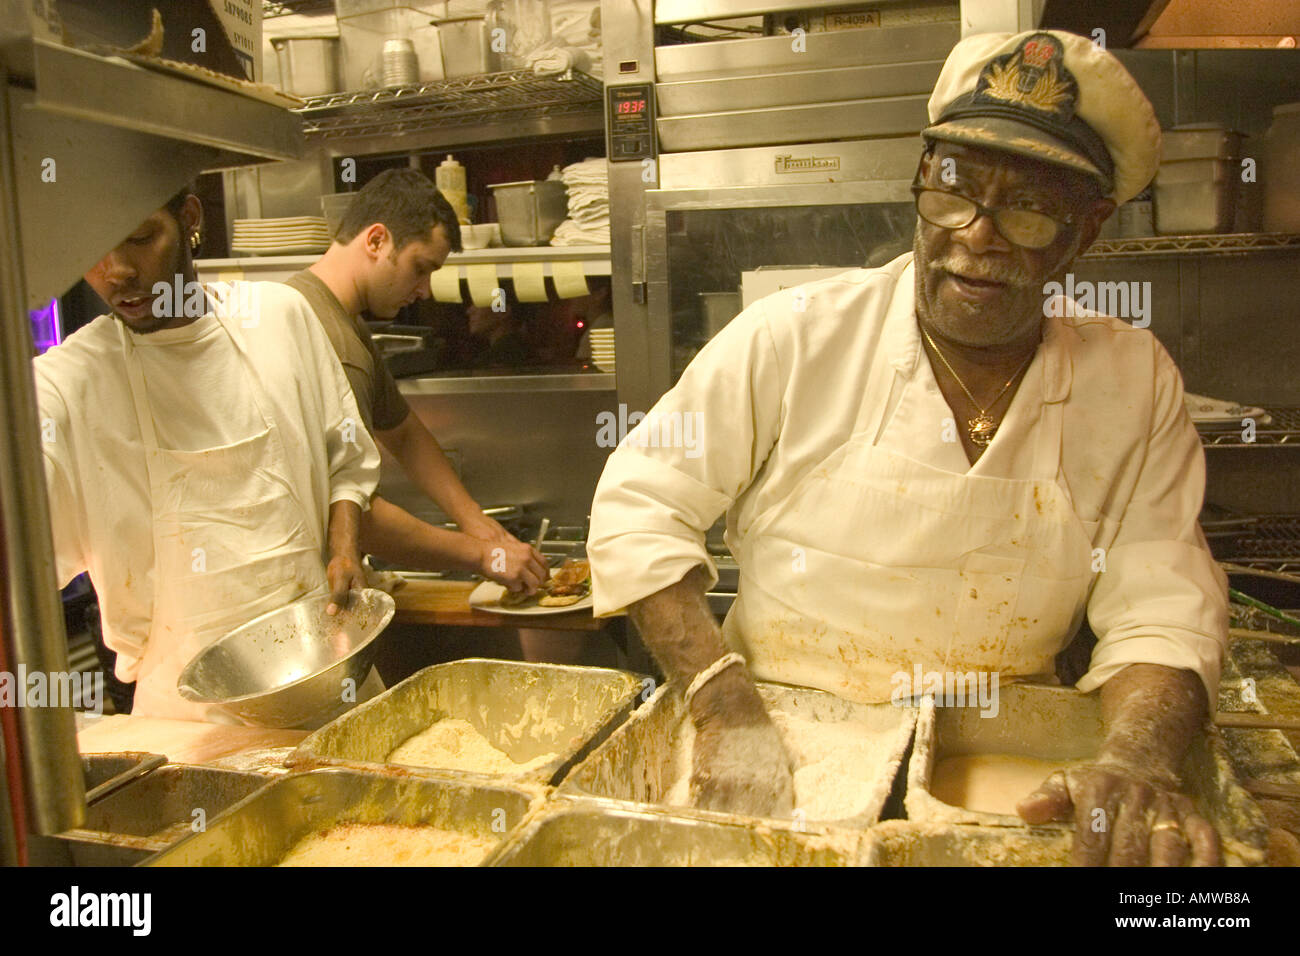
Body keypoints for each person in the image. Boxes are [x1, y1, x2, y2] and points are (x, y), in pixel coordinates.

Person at [587, 30, 1228, 866]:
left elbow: (1162, 607)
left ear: (1087, 231)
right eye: (954, 190)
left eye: (1028, 208)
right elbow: (640, 507)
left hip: (996, 771)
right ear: (920, 182)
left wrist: (1137, 758)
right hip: (770, 742)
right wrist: (719, 702)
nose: (977, 235)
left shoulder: (1131, 382)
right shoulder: (794, 338)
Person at [35, 188, 381, 721]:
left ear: (189, 218)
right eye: (90, 250)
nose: (116, 271)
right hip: (186, 717)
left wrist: (343, 545)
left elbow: (347, 456)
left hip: (330, 675)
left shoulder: (278, 318)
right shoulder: (68, 385)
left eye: (142, 238)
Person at [284, 169, 547, 595]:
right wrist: (482, 555)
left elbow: (403, 433)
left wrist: (477, 523)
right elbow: (353, 519)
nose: (425, 290)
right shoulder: (324, 336)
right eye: (420, 268)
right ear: (376, 240)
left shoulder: (344, 322)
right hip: (306, 592)